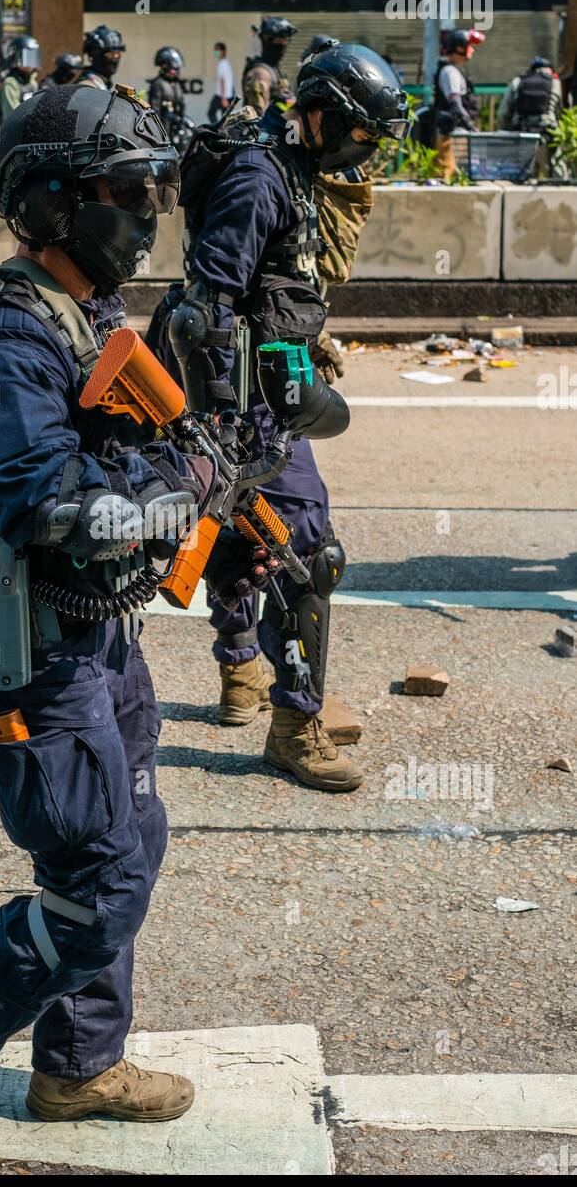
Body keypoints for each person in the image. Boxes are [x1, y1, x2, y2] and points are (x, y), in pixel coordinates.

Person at [0, 83, 269, 1157]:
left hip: (95, 628)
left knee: (131, 840)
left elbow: (116, 461)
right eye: (128, 193)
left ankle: (78, 1066)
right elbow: (49, 502)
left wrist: (203, 476)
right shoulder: (5, 331)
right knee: (96, 879)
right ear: (51, 202)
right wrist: (184, 484)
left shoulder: (80, 312)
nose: (147, 215)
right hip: (26, 641)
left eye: (155, 194)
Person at [146, 43, 409, 791]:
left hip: (260, 380)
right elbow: (206, 309)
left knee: (240, 533)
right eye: (359, 134)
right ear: (319, 114)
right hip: (242, 394)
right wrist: (223, 428)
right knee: (307, 550)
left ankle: (240, 676)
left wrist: (303, 337)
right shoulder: (261, 177)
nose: (365, 151)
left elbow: (270, 281)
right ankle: (295, 727)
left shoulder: (293, 165)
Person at [431, 27, 485, 181]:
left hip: (452, 131)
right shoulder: (449, 72)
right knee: (445, 174)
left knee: (453, 174)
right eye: (469, 46)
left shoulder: (452, 70)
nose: (471, 51)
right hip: (448, 132)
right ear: (459, 48)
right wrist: (470, 126)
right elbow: (455, 103)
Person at [497, 56, 565, 178]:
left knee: (523, 173)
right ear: (548, 70)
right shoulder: (554, 83)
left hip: (521, 133)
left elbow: (503, 114)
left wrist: (505, 131)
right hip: (547, 132)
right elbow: (559, 111)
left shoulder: (517, 82)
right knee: (555, 171)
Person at [242, 16, 297, 115]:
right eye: (279, 40)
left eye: (286, 40)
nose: (284, 44)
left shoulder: (273, 69)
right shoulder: (259, 73)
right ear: (267, 41)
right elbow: (258, 115)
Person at [148, 46, 190, 151]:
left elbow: (181, 105)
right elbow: (155, 111)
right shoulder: (158, 84)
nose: (175, 72)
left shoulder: (176, 84)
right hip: (164, 131)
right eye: (173, 69)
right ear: (164, 66)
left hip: (177, 130)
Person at [0, 35, 41, 124]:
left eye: (32, 57)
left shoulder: (32, 82)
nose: (30, 63)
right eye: (27, 58)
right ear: (15, 58)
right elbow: (13, 116)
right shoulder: (10, 83)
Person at [79, 25, 125, 90]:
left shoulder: (104, 81)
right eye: (110, 54)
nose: (115, 58)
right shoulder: (88, 85)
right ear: (95, 54)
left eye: (118, 53)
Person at [207, 41, 234, 124]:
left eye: (217, 50)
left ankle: (216, 130)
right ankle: (222, 132)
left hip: (221, 96)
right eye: (215, 49)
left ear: (223, 51)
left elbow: (223, 81)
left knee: (211, 113)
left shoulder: (223, 64)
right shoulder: (225, 63)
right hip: (227, 96)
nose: (215, 52)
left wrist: (223, 98)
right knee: (225, 118)